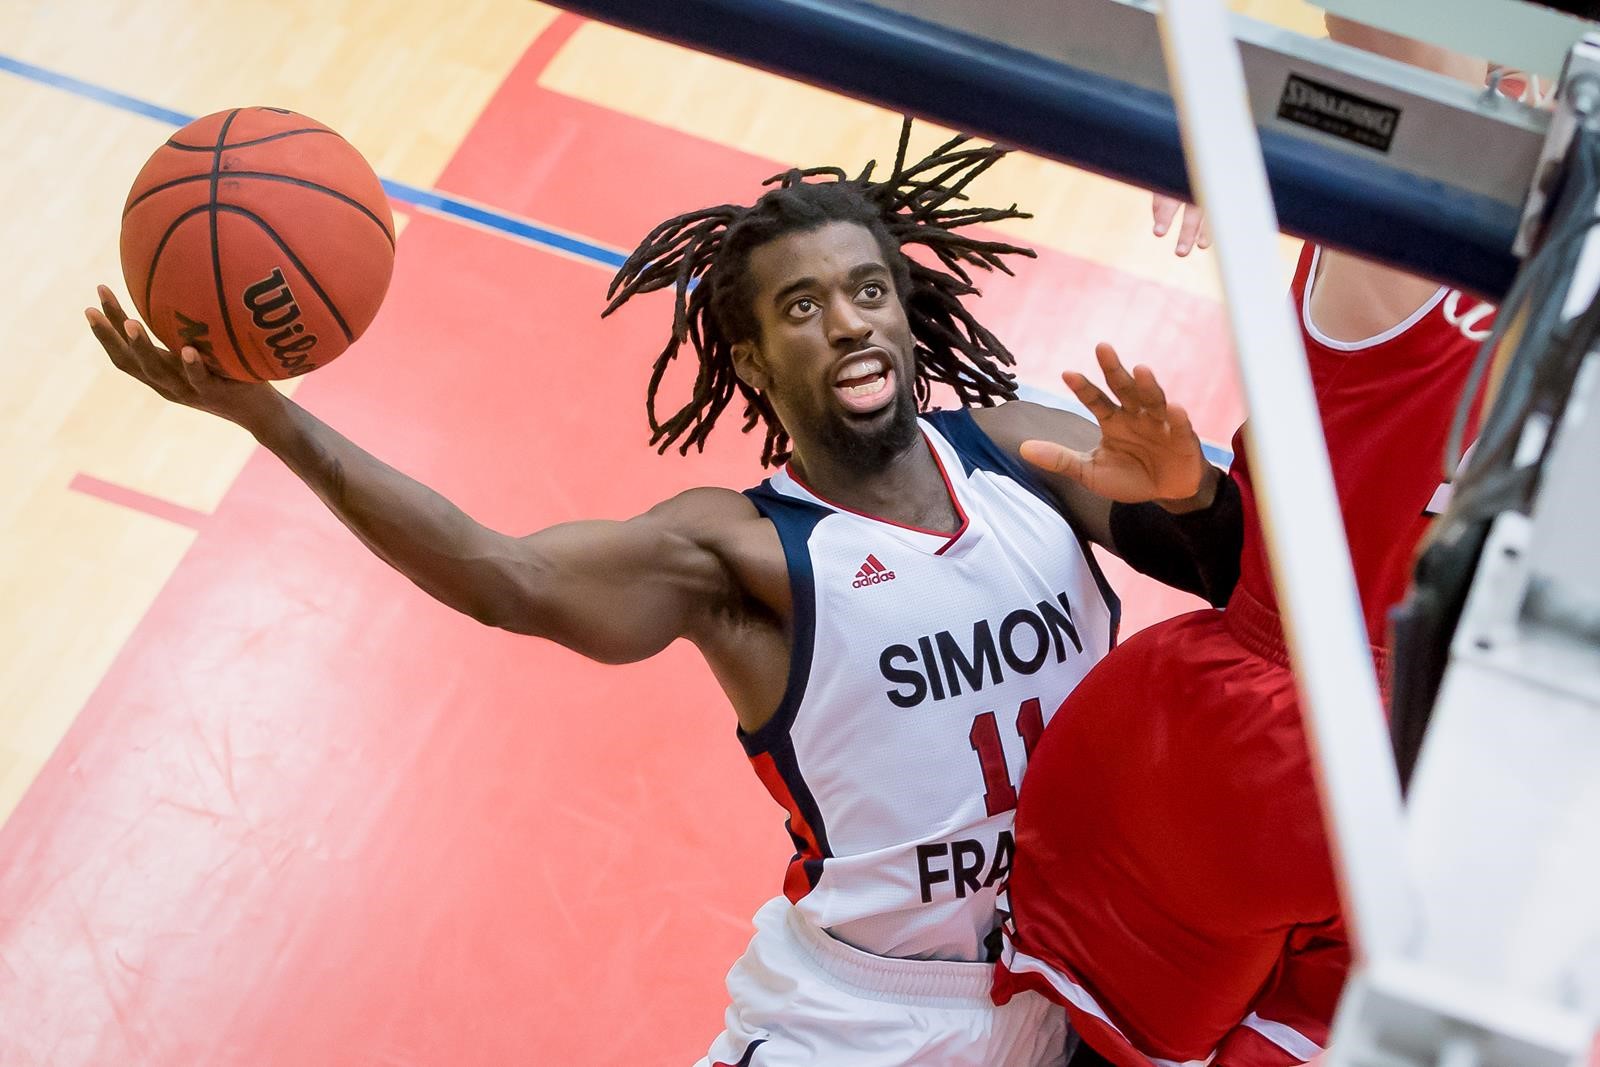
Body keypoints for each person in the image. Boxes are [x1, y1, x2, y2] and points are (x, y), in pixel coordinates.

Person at [88, 129, 1242, 1067]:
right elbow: (503, 575)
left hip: (1075, 986)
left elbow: (1246, 583)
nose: (848, 321)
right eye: (801, 306)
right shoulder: (739, 553)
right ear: (749, 358)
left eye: (866, 289)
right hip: (864, 1020)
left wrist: (1193, 495)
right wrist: (270, 418)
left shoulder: (1016, 453)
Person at [992, 18, 1516, 1067]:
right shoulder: (1436, 218)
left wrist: (1241, 115)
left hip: (1364, 763)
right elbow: (1404, 57)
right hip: (1328, 758)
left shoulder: (1480, 215)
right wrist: (1242, 110)